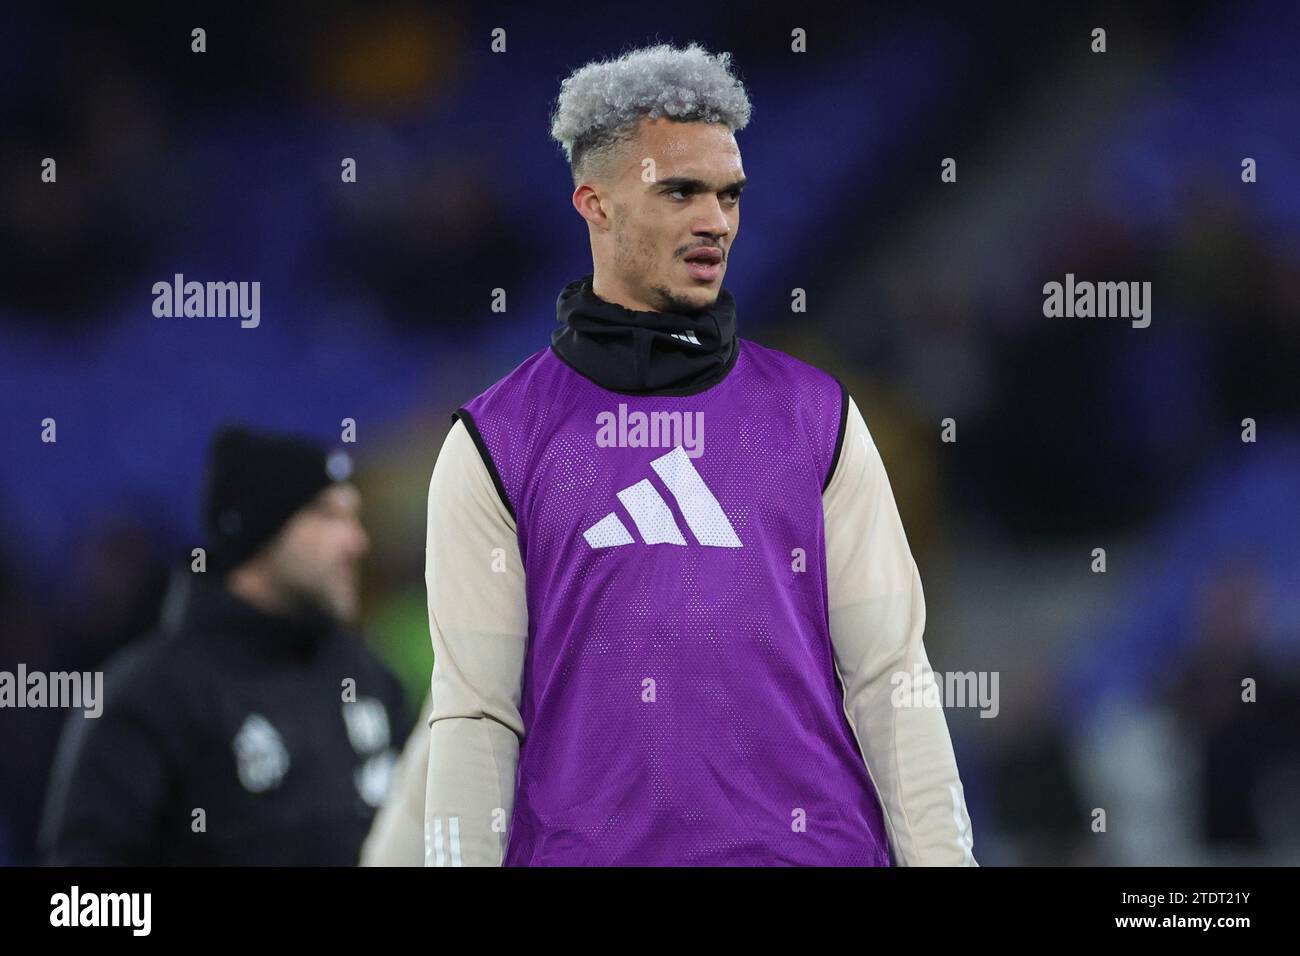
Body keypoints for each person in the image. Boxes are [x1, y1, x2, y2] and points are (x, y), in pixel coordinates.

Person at [421, 42, 976, 866]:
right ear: (595, 203)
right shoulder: (495, 443)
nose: (715, 220)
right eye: (680, 191)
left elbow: (892, 678)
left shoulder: (816, 418)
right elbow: (476, 716)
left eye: (729, 195)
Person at [40, 425, 410, 865]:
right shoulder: (149, 695)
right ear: (263, 528)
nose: (357, 541)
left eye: (355, 517)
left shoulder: (368, 676)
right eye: (328, 515)